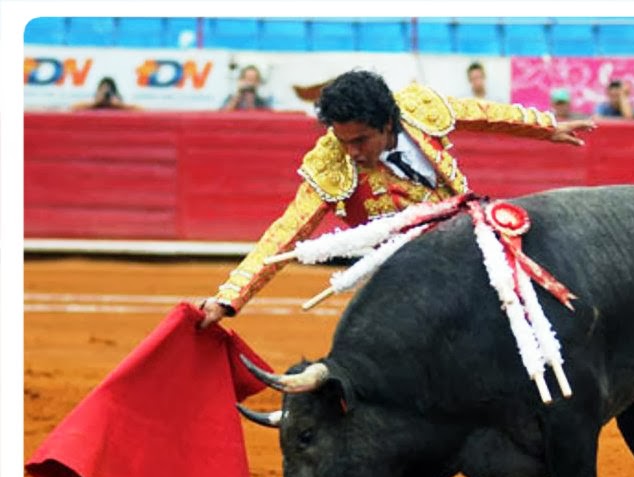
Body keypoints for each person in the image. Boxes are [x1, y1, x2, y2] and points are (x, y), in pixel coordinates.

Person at [199, 70, 594, 328]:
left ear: (388, 124)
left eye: (360, 141)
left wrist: (548, 128)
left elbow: (484, 113)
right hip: (401, 274)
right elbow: (286, 232)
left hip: (465, 240)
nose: (351, 151)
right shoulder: (330, 162)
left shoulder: (418, 109)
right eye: (343, 140)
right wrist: (229, 299)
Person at [71, 77, 138, 110]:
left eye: (108, 93)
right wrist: (95, 103)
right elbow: (72, 108)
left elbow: (142, 111)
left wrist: (120, 105)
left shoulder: (119, 107)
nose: (105, 96)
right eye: (102, 91)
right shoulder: (93, 106)